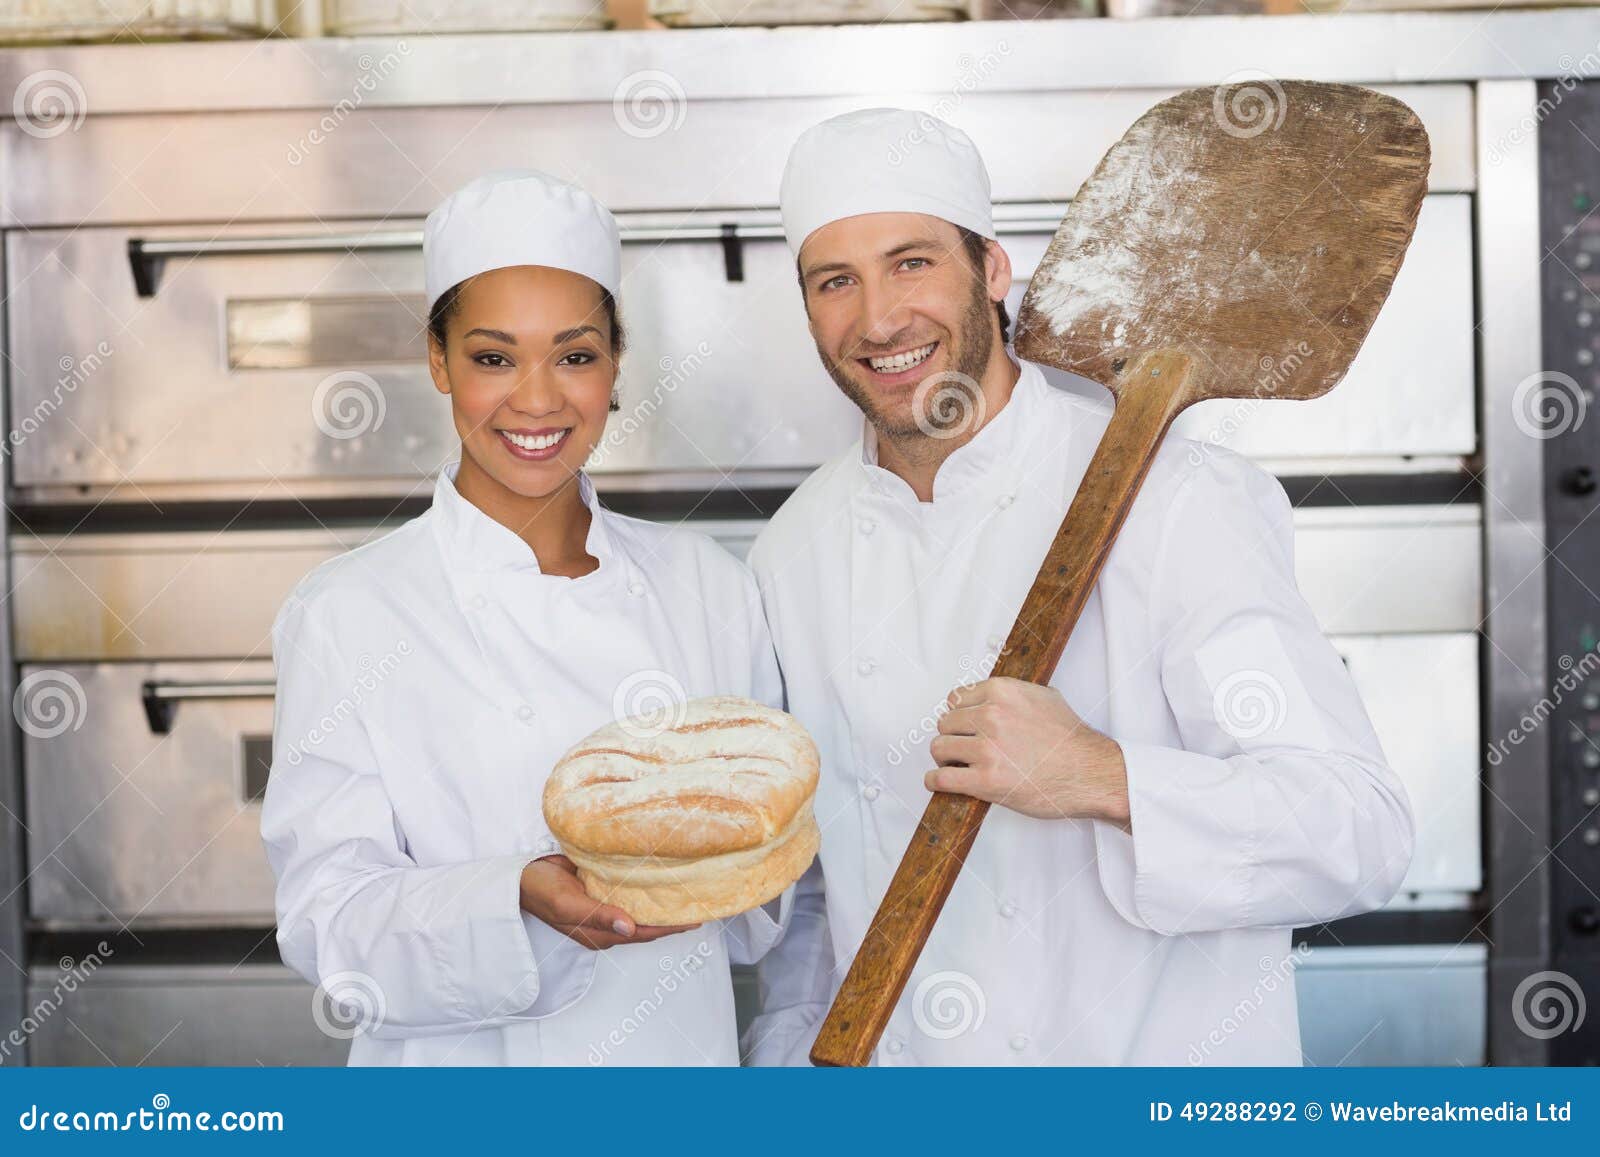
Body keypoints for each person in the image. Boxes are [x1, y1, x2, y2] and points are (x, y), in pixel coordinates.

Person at [741, 109, 1416, 1066]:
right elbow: (818, 889)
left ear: (993, 270)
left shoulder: (1175, 499)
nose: (879, 318)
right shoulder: (793, 553)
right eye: (834, 281)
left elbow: (1358, 830)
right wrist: (786, 1062)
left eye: (912, 262)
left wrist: (1100, 774)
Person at [260, 169, 793, 1066]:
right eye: (494, 356)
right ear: (438, 360)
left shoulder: (709, 588)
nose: (538, 399)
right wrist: (515, 897)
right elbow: (327, 923)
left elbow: (762, 896)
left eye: (576, 355)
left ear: (617, 362)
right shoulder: (348, 611)